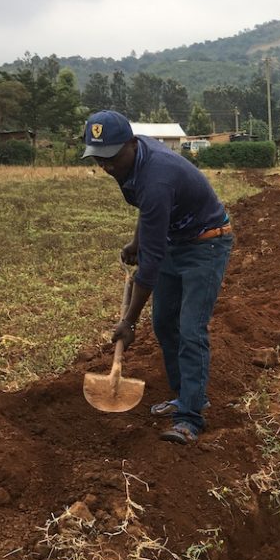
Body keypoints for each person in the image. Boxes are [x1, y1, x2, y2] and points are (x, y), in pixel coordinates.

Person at [82, 110, 233, 445]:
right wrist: (138, 242)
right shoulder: (131, 164)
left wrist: (129, 322)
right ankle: (186, 395)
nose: (106, 166)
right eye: (98, 157)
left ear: (131, 145)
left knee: (191, 328)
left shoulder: (158, 176)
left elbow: (148, 269)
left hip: (207, 243)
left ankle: (190, 418)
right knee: (165, 323)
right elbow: (149, 210)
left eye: (110, 157)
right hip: (174, 240)